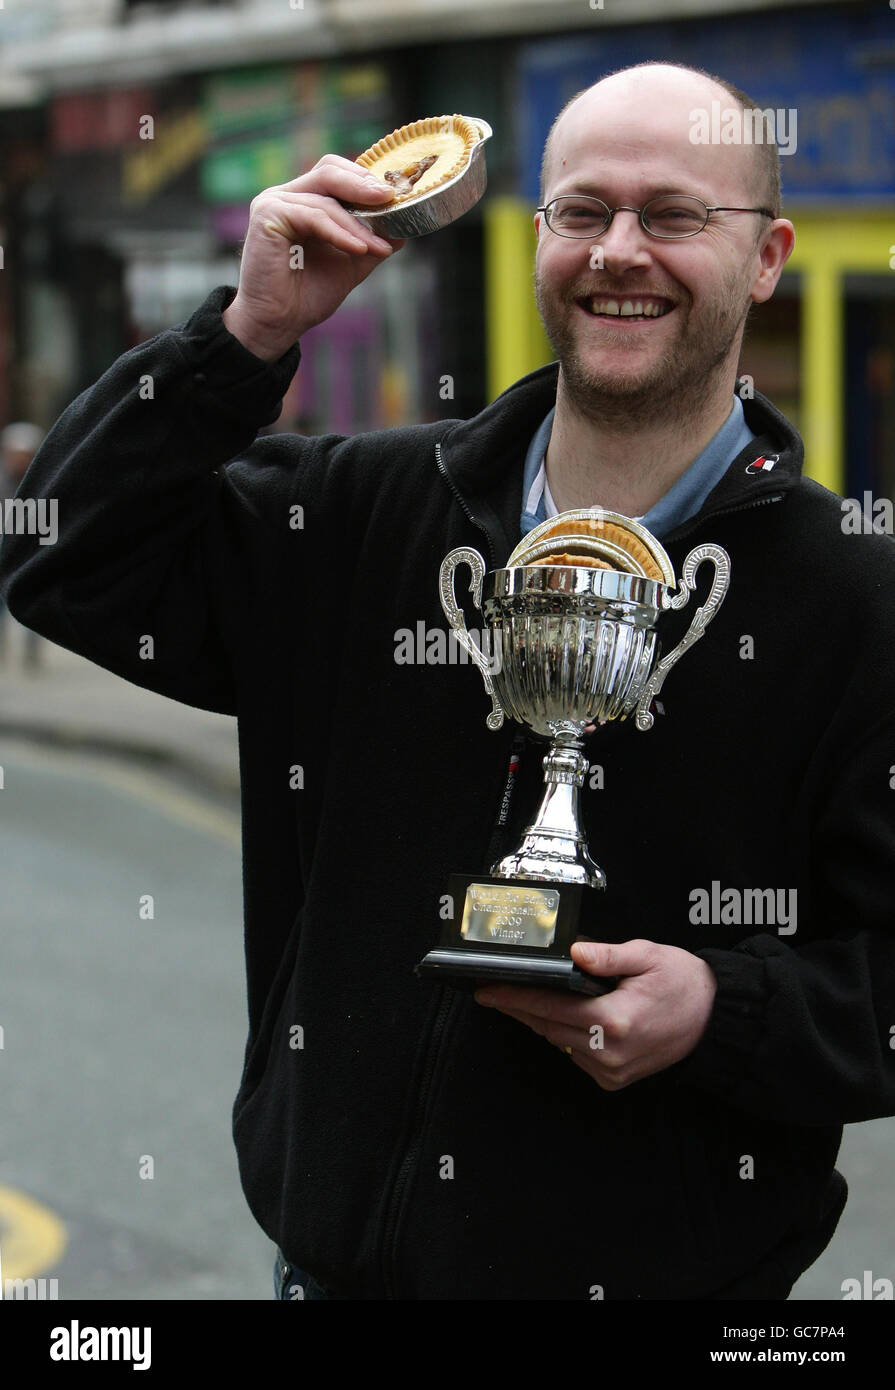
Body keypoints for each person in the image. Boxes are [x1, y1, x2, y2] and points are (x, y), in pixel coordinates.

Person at [2, 60, 894, 1301]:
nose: (618, 251)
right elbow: (54, 554)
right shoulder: (359, 508)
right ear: (539, 240)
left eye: (675, 216)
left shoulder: (855, 594)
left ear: (766, 255)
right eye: (581, 212)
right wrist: (243, 335)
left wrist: (723, 1008)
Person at [0, 421, 45, 668]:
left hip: (31, 550)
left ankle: (31, 652)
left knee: (32, 602)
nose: (18, 461)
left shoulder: (44, 481)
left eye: (24, 456)